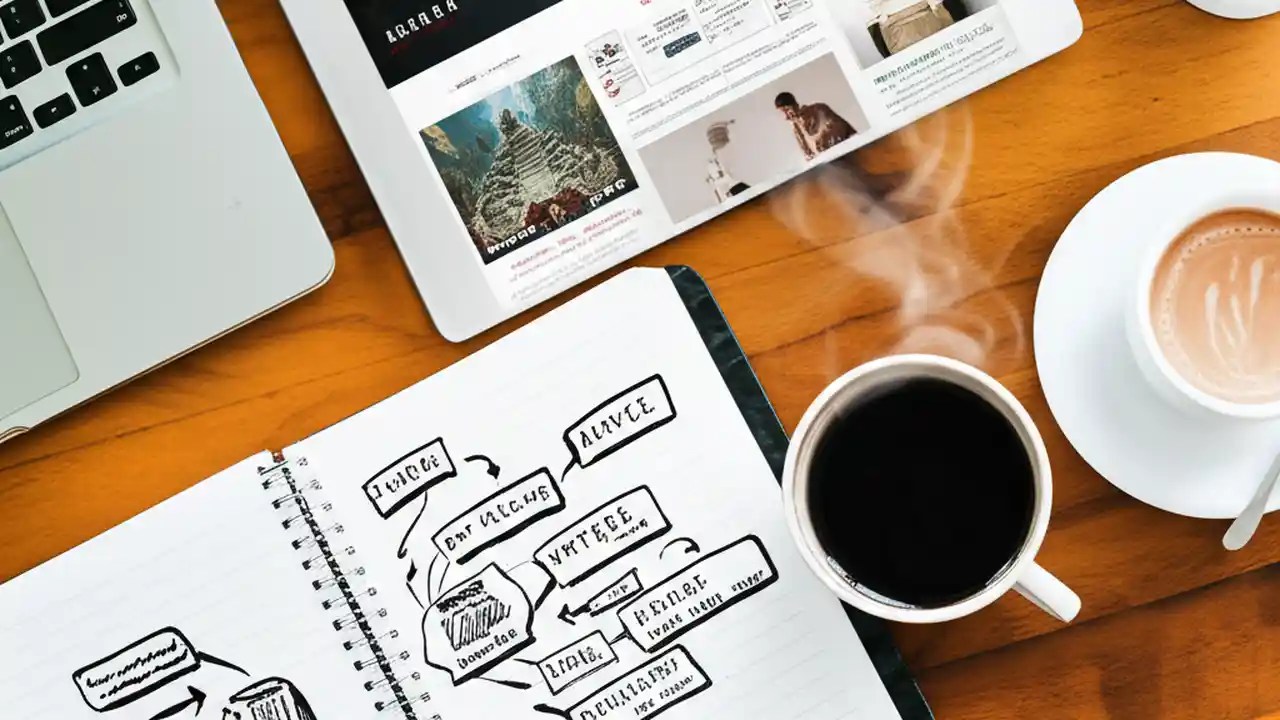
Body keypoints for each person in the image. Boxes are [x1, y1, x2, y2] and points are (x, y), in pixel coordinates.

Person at [774, 92, 857, 161]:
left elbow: (834, 128)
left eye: (787, 110)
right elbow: (808, 154)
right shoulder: (796, 126)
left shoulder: (819, 109)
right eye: (782, 113)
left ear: (795, 105)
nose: (786, 117)